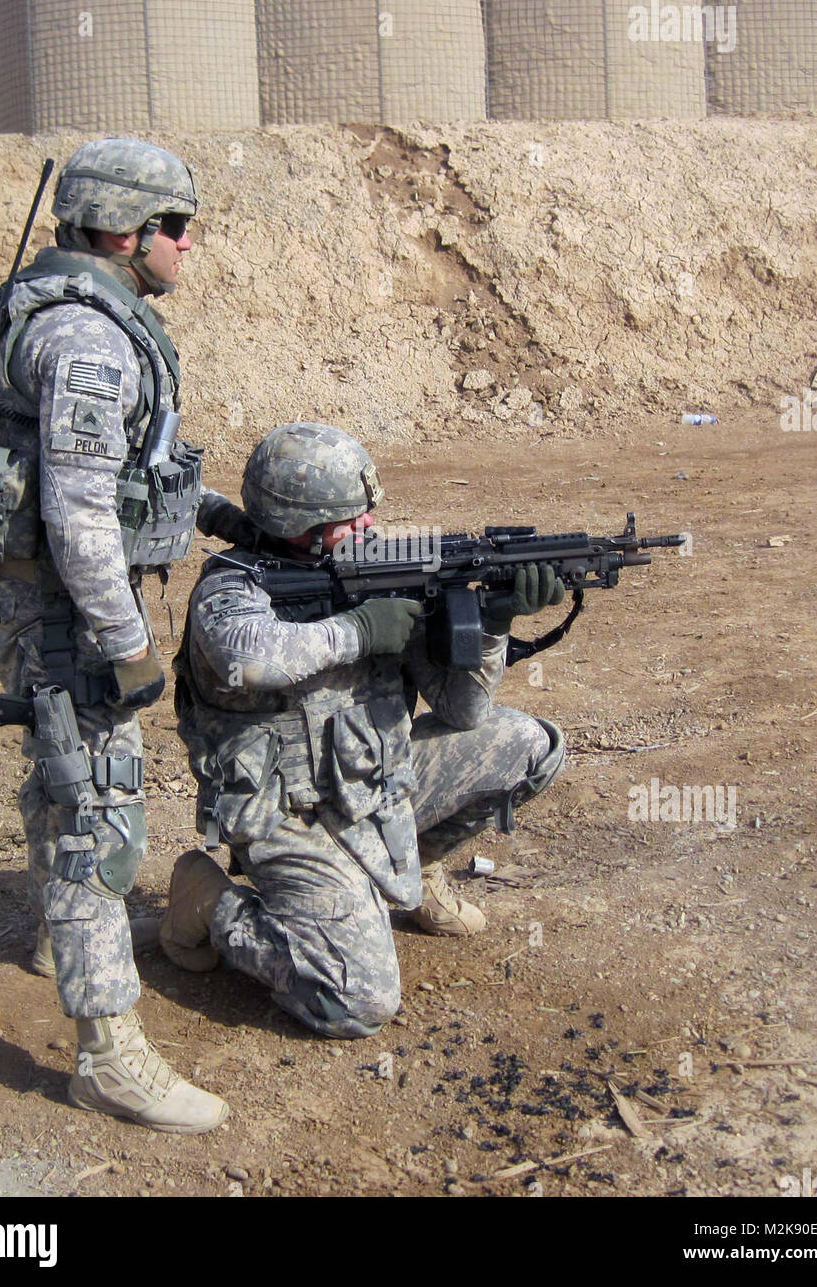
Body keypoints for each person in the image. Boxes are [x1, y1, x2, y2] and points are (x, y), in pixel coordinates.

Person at [0, 139, 244, 1132]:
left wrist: (215, 512)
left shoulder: (26, 309)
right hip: (66, 603)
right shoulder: (90, 342)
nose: (188, 245)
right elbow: (79, 509)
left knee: (63, 777)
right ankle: (109, 1051)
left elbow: (116, 475)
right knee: (95, 812)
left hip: (28, 592)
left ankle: (62, 940)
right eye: (175, 227)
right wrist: (124, 640)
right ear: (119, 230)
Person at [160, 423, 565, 1039]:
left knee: (529, 745)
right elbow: (248, 656)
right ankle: (209, 902)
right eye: (350, 518)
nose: (369, 527)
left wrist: (492, 621)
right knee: (357, 1000)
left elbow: (465, 712)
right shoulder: (232, 588)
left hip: (376, 792)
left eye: (367, 512)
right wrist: (359, 632)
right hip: (288, 817)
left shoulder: (381, 572)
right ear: (298, 524)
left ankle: (410, 873)